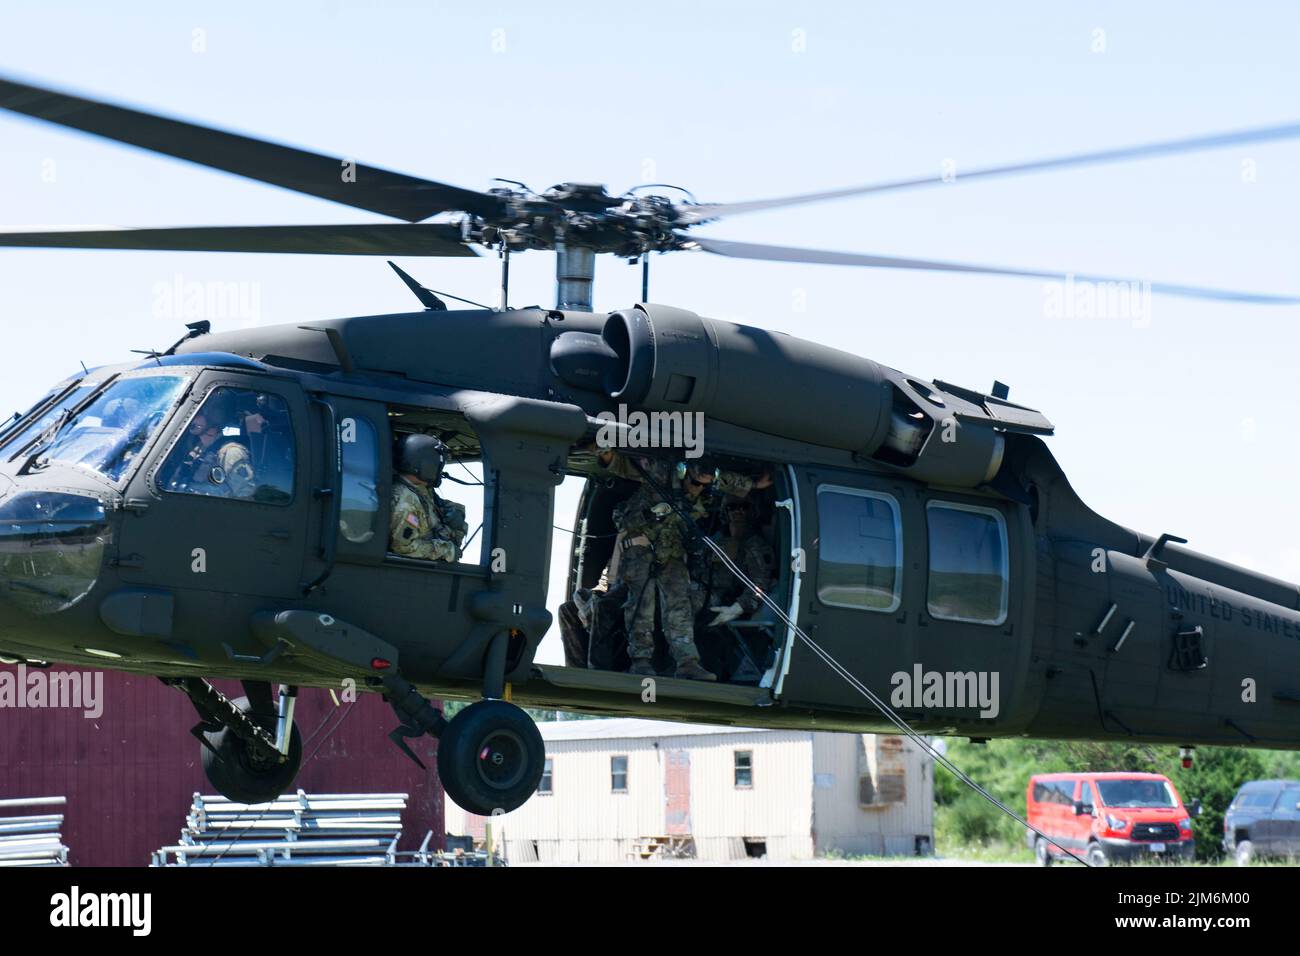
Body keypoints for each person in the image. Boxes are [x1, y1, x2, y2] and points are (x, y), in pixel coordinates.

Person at [597, 448, 770, 681]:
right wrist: (607, 455)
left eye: (703, 485)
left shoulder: (712, 489)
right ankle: (641, 661)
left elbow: (728, 481)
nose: (698, 489)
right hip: (640, 546)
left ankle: (687, 662)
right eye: (696, 483)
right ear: (687, 474)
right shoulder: (662, 473)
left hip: (672, 551)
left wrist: (755, 485)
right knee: (641, 604)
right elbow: (627, 466)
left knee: (679, 605)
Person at [389, 433, 468, 563]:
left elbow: (431, 509)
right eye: (437, 465)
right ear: (425, 465)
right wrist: (447, 550)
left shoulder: (418, 489)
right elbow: (404, 547)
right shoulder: (405, 500)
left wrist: (454, 514)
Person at [163, 392, 257, 499]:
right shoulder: (198, 449)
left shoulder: (232, 452)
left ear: (214, 416)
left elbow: (246, 496)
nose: (193, 419)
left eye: (198, 414)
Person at [704, 496, 776, 627]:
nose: (738, 511)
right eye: (732, 507)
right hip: (706, 590)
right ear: (725, 511)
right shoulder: (718, 539)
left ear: (751, 511)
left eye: (744, 507)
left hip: (729, 599)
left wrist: (738, 607)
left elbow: (760, 585)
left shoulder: (755, 544)